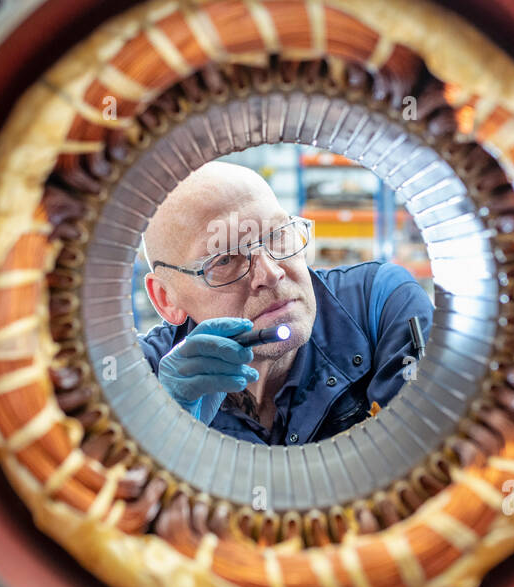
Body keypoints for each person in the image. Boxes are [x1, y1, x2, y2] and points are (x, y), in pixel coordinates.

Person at [137, 161, 432, 446]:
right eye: (224, 259)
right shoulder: (144, 376)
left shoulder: (381, 307)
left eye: (277, 235)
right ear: (166, 298)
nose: (271, 273)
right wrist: (160, 433)